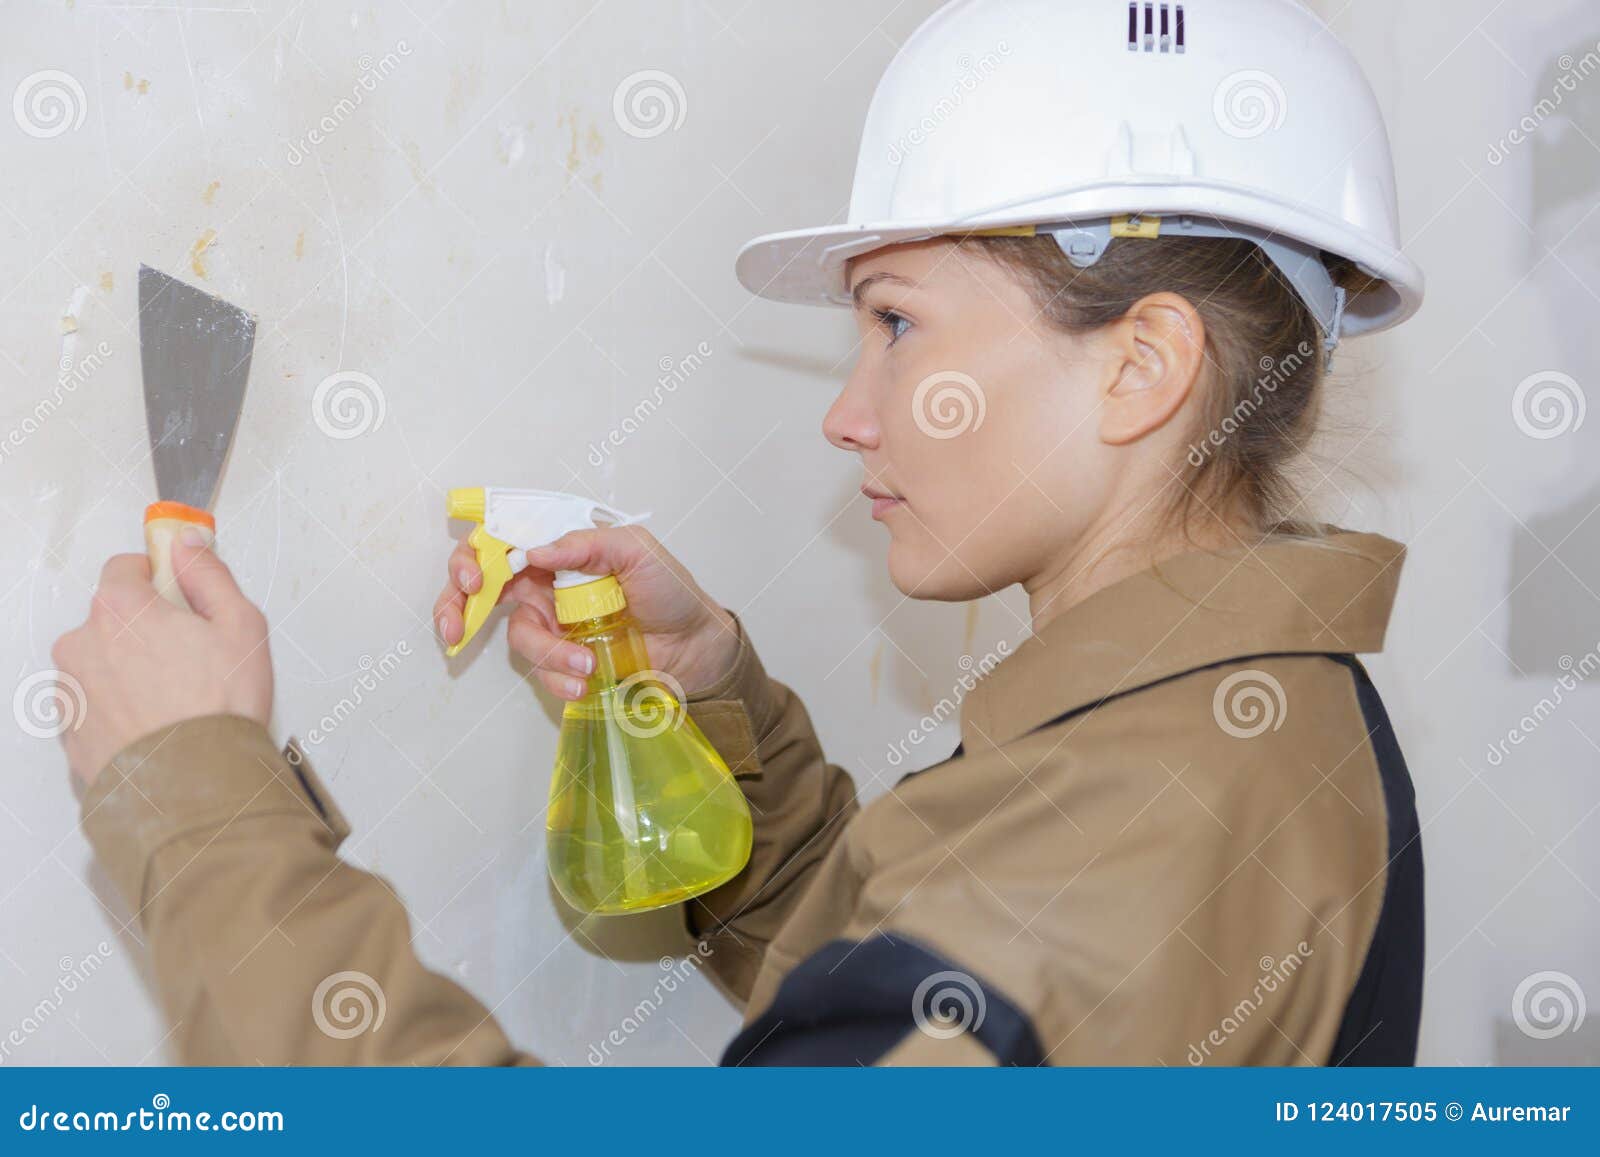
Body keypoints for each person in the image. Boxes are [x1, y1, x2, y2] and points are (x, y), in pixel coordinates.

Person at [52, 0, 1425, 1065]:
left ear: (1141, 366)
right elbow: (904, 1005)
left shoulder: (1118, 844)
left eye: (897, 323)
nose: (847, 415)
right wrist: (710, 712)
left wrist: (202, 807)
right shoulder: (1259, 726)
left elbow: (997, 960)